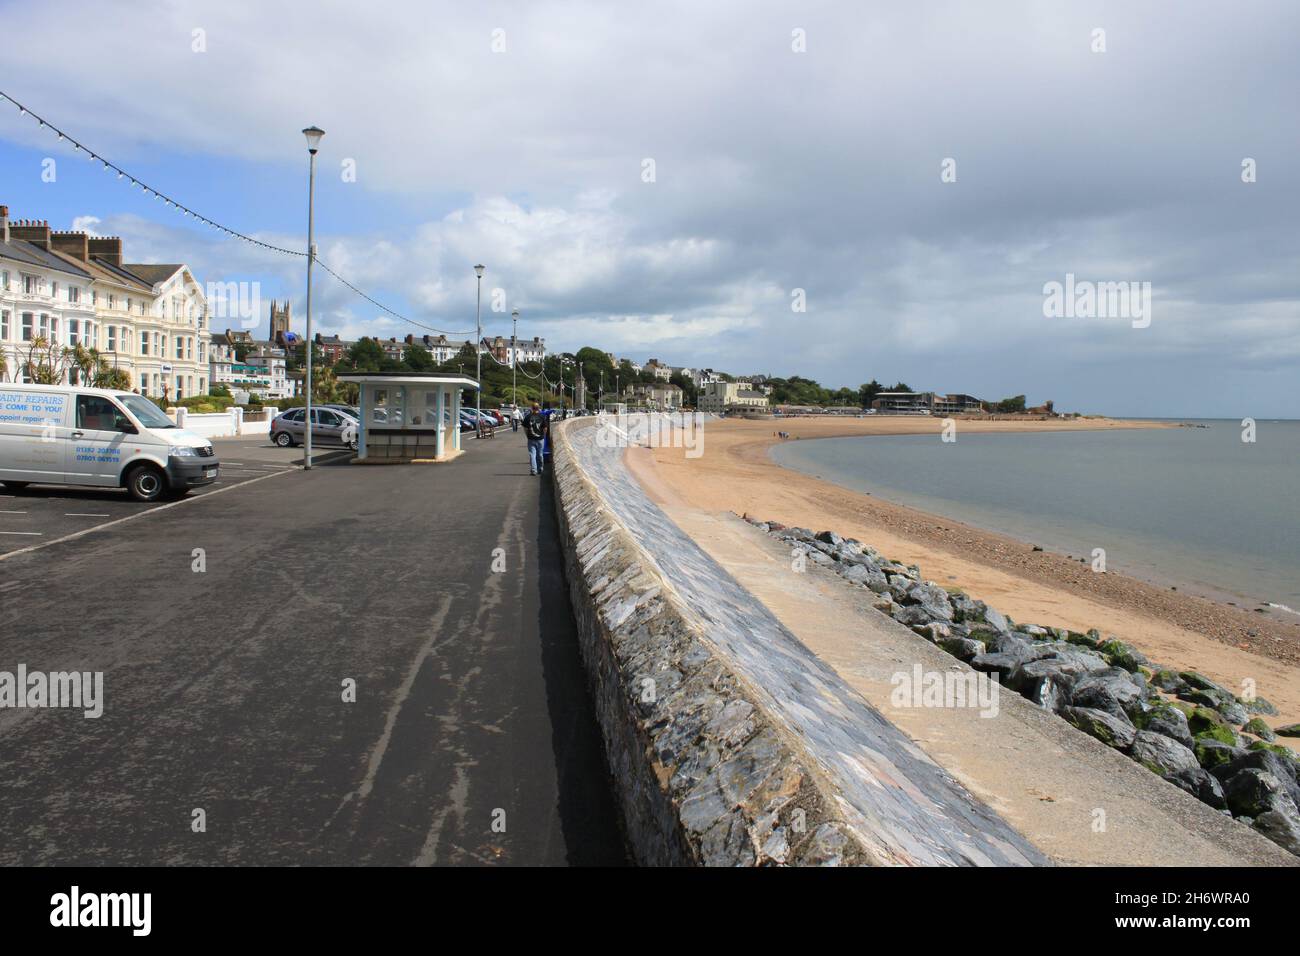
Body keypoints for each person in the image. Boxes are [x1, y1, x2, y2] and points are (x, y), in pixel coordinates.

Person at [523, 402, 548, 476]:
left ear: (532, 408)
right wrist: (544, 435)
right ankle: (540, 469)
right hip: (540, 439)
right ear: (538, 408)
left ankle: (534, 470)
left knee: (532, 455)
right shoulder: (542, 416)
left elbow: (525, 428)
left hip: (531, 439)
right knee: (540, 454)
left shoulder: (528, 417)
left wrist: (527, 435)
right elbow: (545, 428)